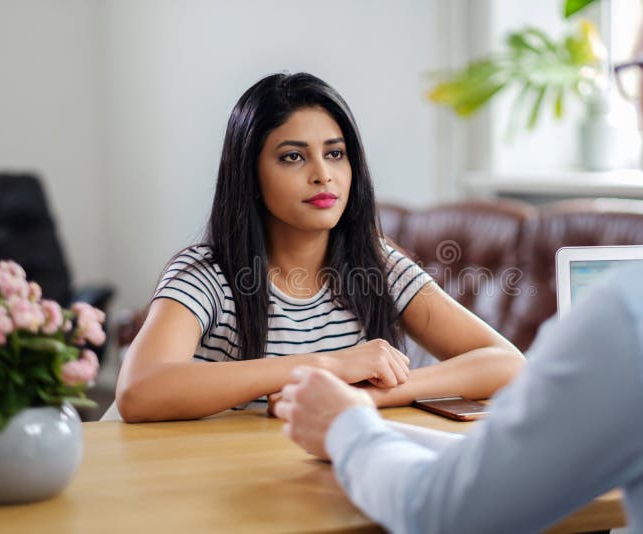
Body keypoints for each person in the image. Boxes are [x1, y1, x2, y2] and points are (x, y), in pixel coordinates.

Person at [274, 0, 643, 532]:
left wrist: (349, 429)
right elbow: (514, 466)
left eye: (634, 74)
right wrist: (372, 427)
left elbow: (444, 512)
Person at [115, 73, 524, 423]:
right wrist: (324, 366)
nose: (323, 174)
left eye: (335, 153)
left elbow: (508, 364)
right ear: (250, 176)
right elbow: (139, 390)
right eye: (293, 157)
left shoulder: (376, 264)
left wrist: (371, 395)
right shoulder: (207, 274)